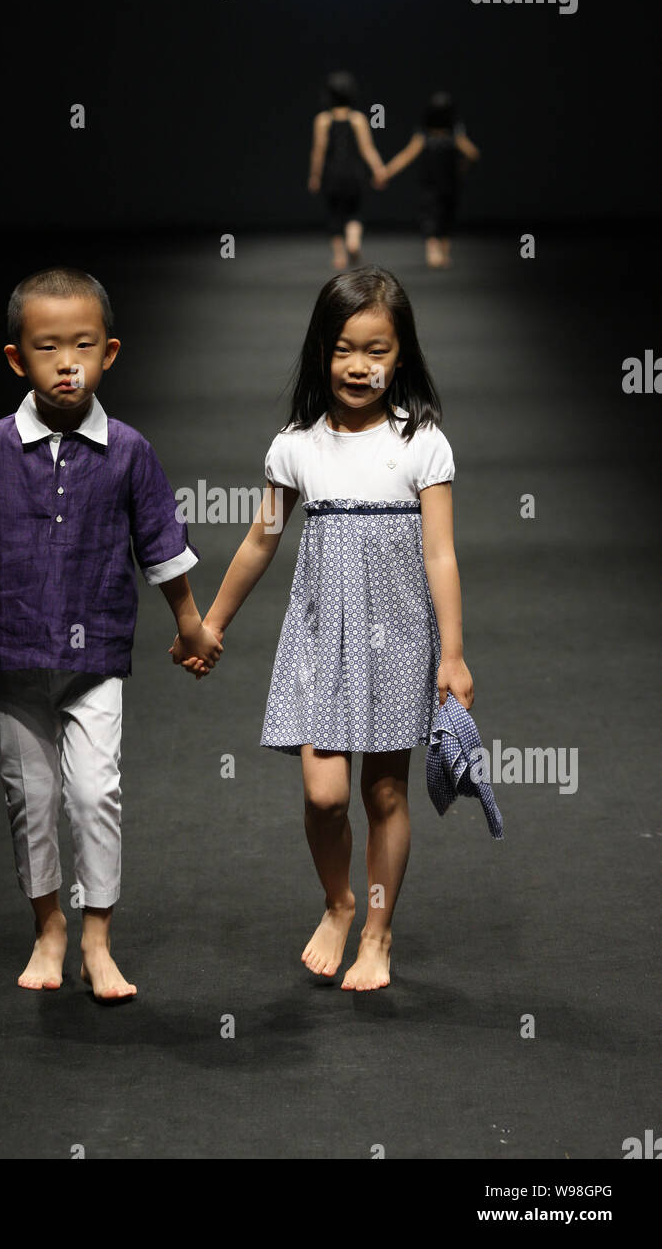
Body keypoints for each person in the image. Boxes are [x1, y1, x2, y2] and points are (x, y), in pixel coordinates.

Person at [0, 266, 223, 1001]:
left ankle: (97, 937)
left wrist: (189, 621)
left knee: (95, 793)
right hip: (13, 644)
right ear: (17, 359)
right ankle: (48, 925)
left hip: (99, 654)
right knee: (30, 794)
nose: (67, 362)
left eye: (82, 345)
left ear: (109, 353)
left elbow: (161, 544)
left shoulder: (127, 450)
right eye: (48, 347)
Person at [171, 267, 473, 991]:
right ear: (320, 353)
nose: (360, 366)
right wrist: (207, 624)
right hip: (319, 638)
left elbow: (441, 553)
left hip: (398, 635)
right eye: (344, 349)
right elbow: (260, 541)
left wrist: (454, 654)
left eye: (378, 350)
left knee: (386, 794)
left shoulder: (423, 444)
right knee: (325, 796)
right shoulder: (296, 447)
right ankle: (337, 902)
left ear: (401, 356)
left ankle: (376, 930)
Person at [380, 91, 480, 268]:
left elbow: (407, 155)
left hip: (444, 183)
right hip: (437, 184)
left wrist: (386, 172)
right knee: (433, 217)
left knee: (442, 216)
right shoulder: (435, 134)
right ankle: (436, 252)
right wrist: (387, 171)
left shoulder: (450, 133)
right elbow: (472, 154)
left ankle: (440, 252)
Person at [308, 71, 387, 272]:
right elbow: (368, 148)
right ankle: (353, 241)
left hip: (332, 174)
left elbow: (318, 152)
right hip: (354, 174)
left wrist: (315, 176)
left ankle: (339, 255)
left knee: (334, 213)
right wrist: (379, 170)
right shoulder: (357, 119)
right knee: (355, 211)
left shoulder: (323, 120)